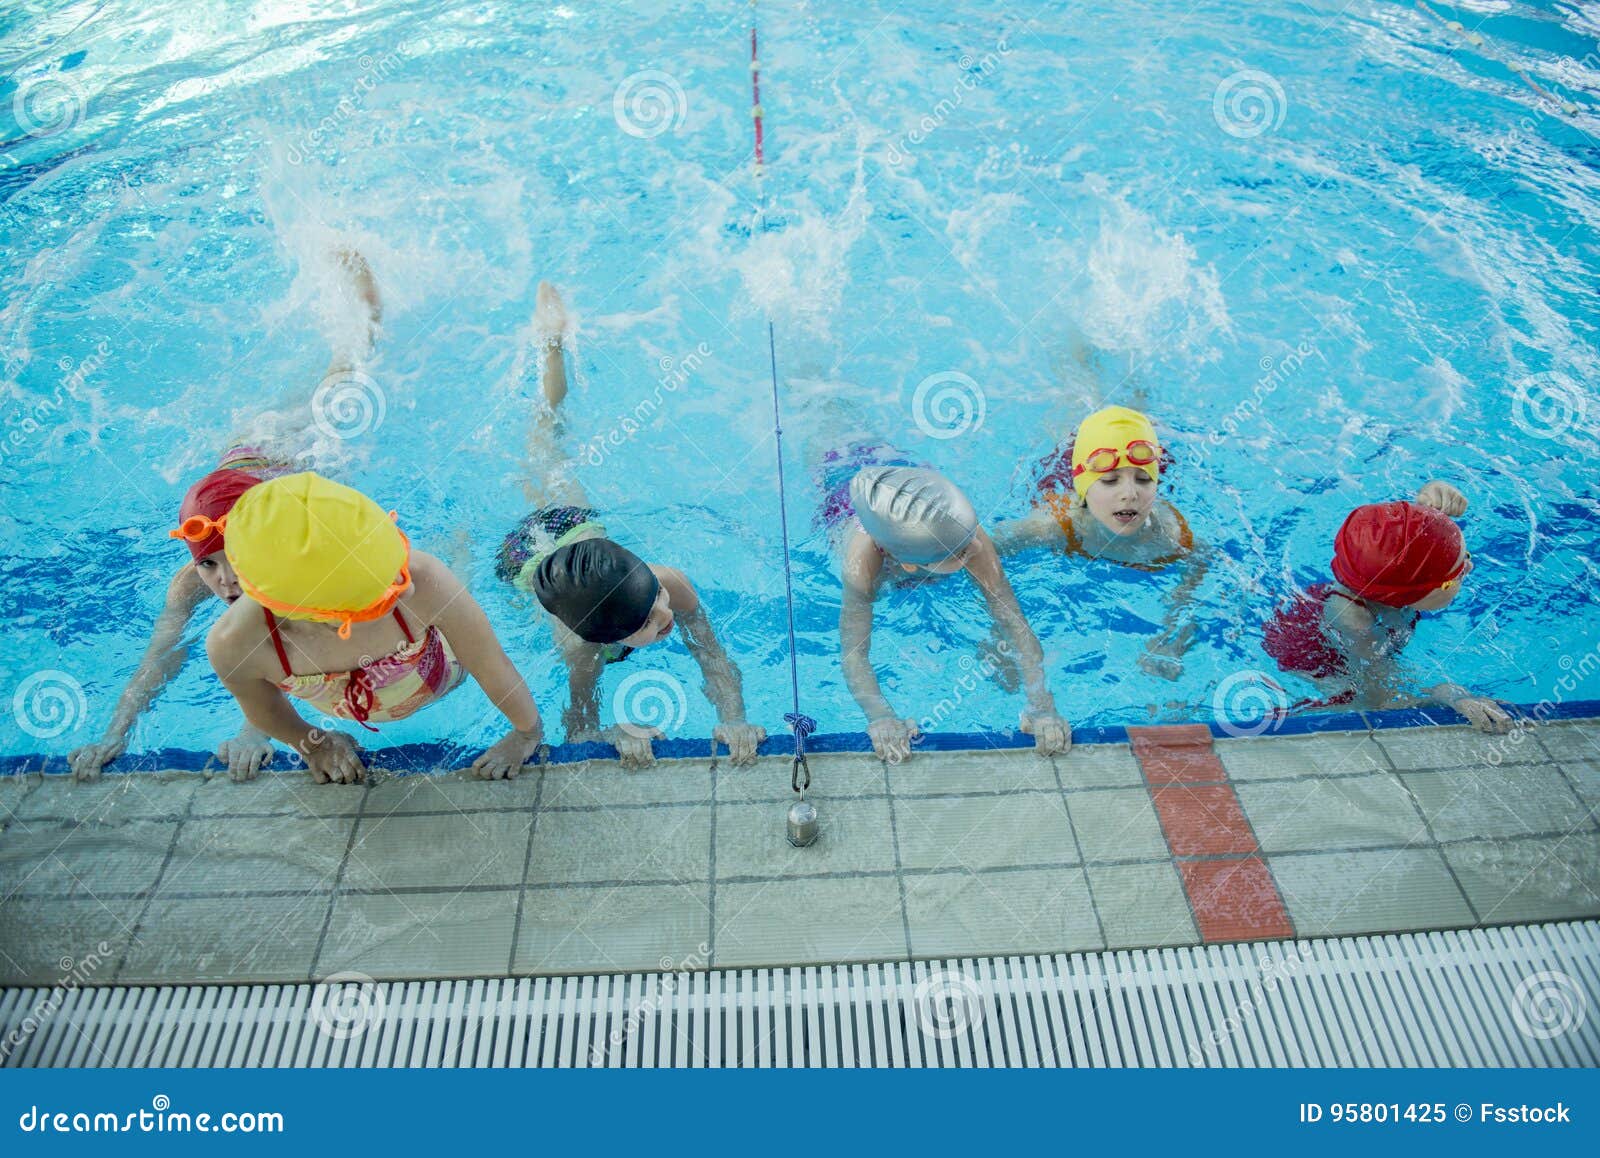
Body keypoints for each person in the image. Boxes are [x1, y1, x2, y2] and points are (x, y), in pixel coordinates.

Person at [68, 247, 381, 780]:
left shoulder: (284, 563)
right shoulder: (189, 581)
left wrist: (253, 732)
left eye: (229, 560)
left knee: (344, 376)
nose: (225, 579)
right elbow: (160, 658)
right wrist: (114, 735)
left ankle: (364, 306)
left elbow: (287, 655)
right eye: (208, 564)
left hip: (300, 459)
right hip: (245, 451)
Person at [494, 282, 765, 769]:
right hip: (521, 559)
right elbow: (578, 727)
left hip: (572, 527)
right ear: (608, 640)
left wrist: (734, 717)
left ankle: (551, 346)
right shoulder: (580, 648)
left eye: (656, 601)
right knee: (535, 458)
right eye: (649, 621)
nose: (666, 614)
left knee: (547, 435)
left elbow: (713, 655)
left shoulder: (667, 583)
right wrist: (608, 732)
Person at [200, 471, 546, 782]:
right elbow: (264, 707)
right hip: (355, 692)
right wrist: (311, 743)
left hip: (446, 668)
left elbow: (488, 661)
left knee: (450, 585)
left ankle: (459, 549)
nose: (405, 586)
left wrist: (526, 731)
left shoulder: (422, 579)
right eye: (383, 594)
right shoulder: (235, 644)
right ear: (312, 612)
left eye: (397, 565)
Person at [838, 464, 1072, 761]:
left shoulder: (965, 534)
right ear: (908, 565)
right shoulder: (861, 570)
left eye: (970, 535)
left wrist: (1042, 707)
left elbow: (1015, 624)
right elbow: (854, 654)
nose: (976, 547)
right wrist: (881, 716)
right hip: (838, 503)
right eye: (959, 552)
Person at [1262, 481, 1512, 733]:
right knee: (1345, 705)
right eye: (1455, 575)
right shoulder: (1357, 626)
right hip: (1316, 656)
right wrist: (1451, 696)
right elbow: (1381, 701)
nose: (1469, 569)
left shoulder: (1386, 574)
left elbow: (1395, 539)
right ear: (1415, 592)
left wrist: (1426, 506)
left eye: (1465, 557)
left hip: (1357, 603)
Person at [991, 404, 1208, 679]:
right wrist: (1001, 631)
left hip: (1107, 461)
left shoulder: (1171, 536)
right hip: (1061, 473)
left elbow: (1201, 568)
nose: (1130, 494)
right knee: (1071, 417)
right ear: (1083, 489)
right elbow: (980, 549)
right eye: (1110, 481)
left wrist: (1172, 636)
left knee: (1134, 410)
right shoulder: (1055, 525)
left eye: (1143, 480)